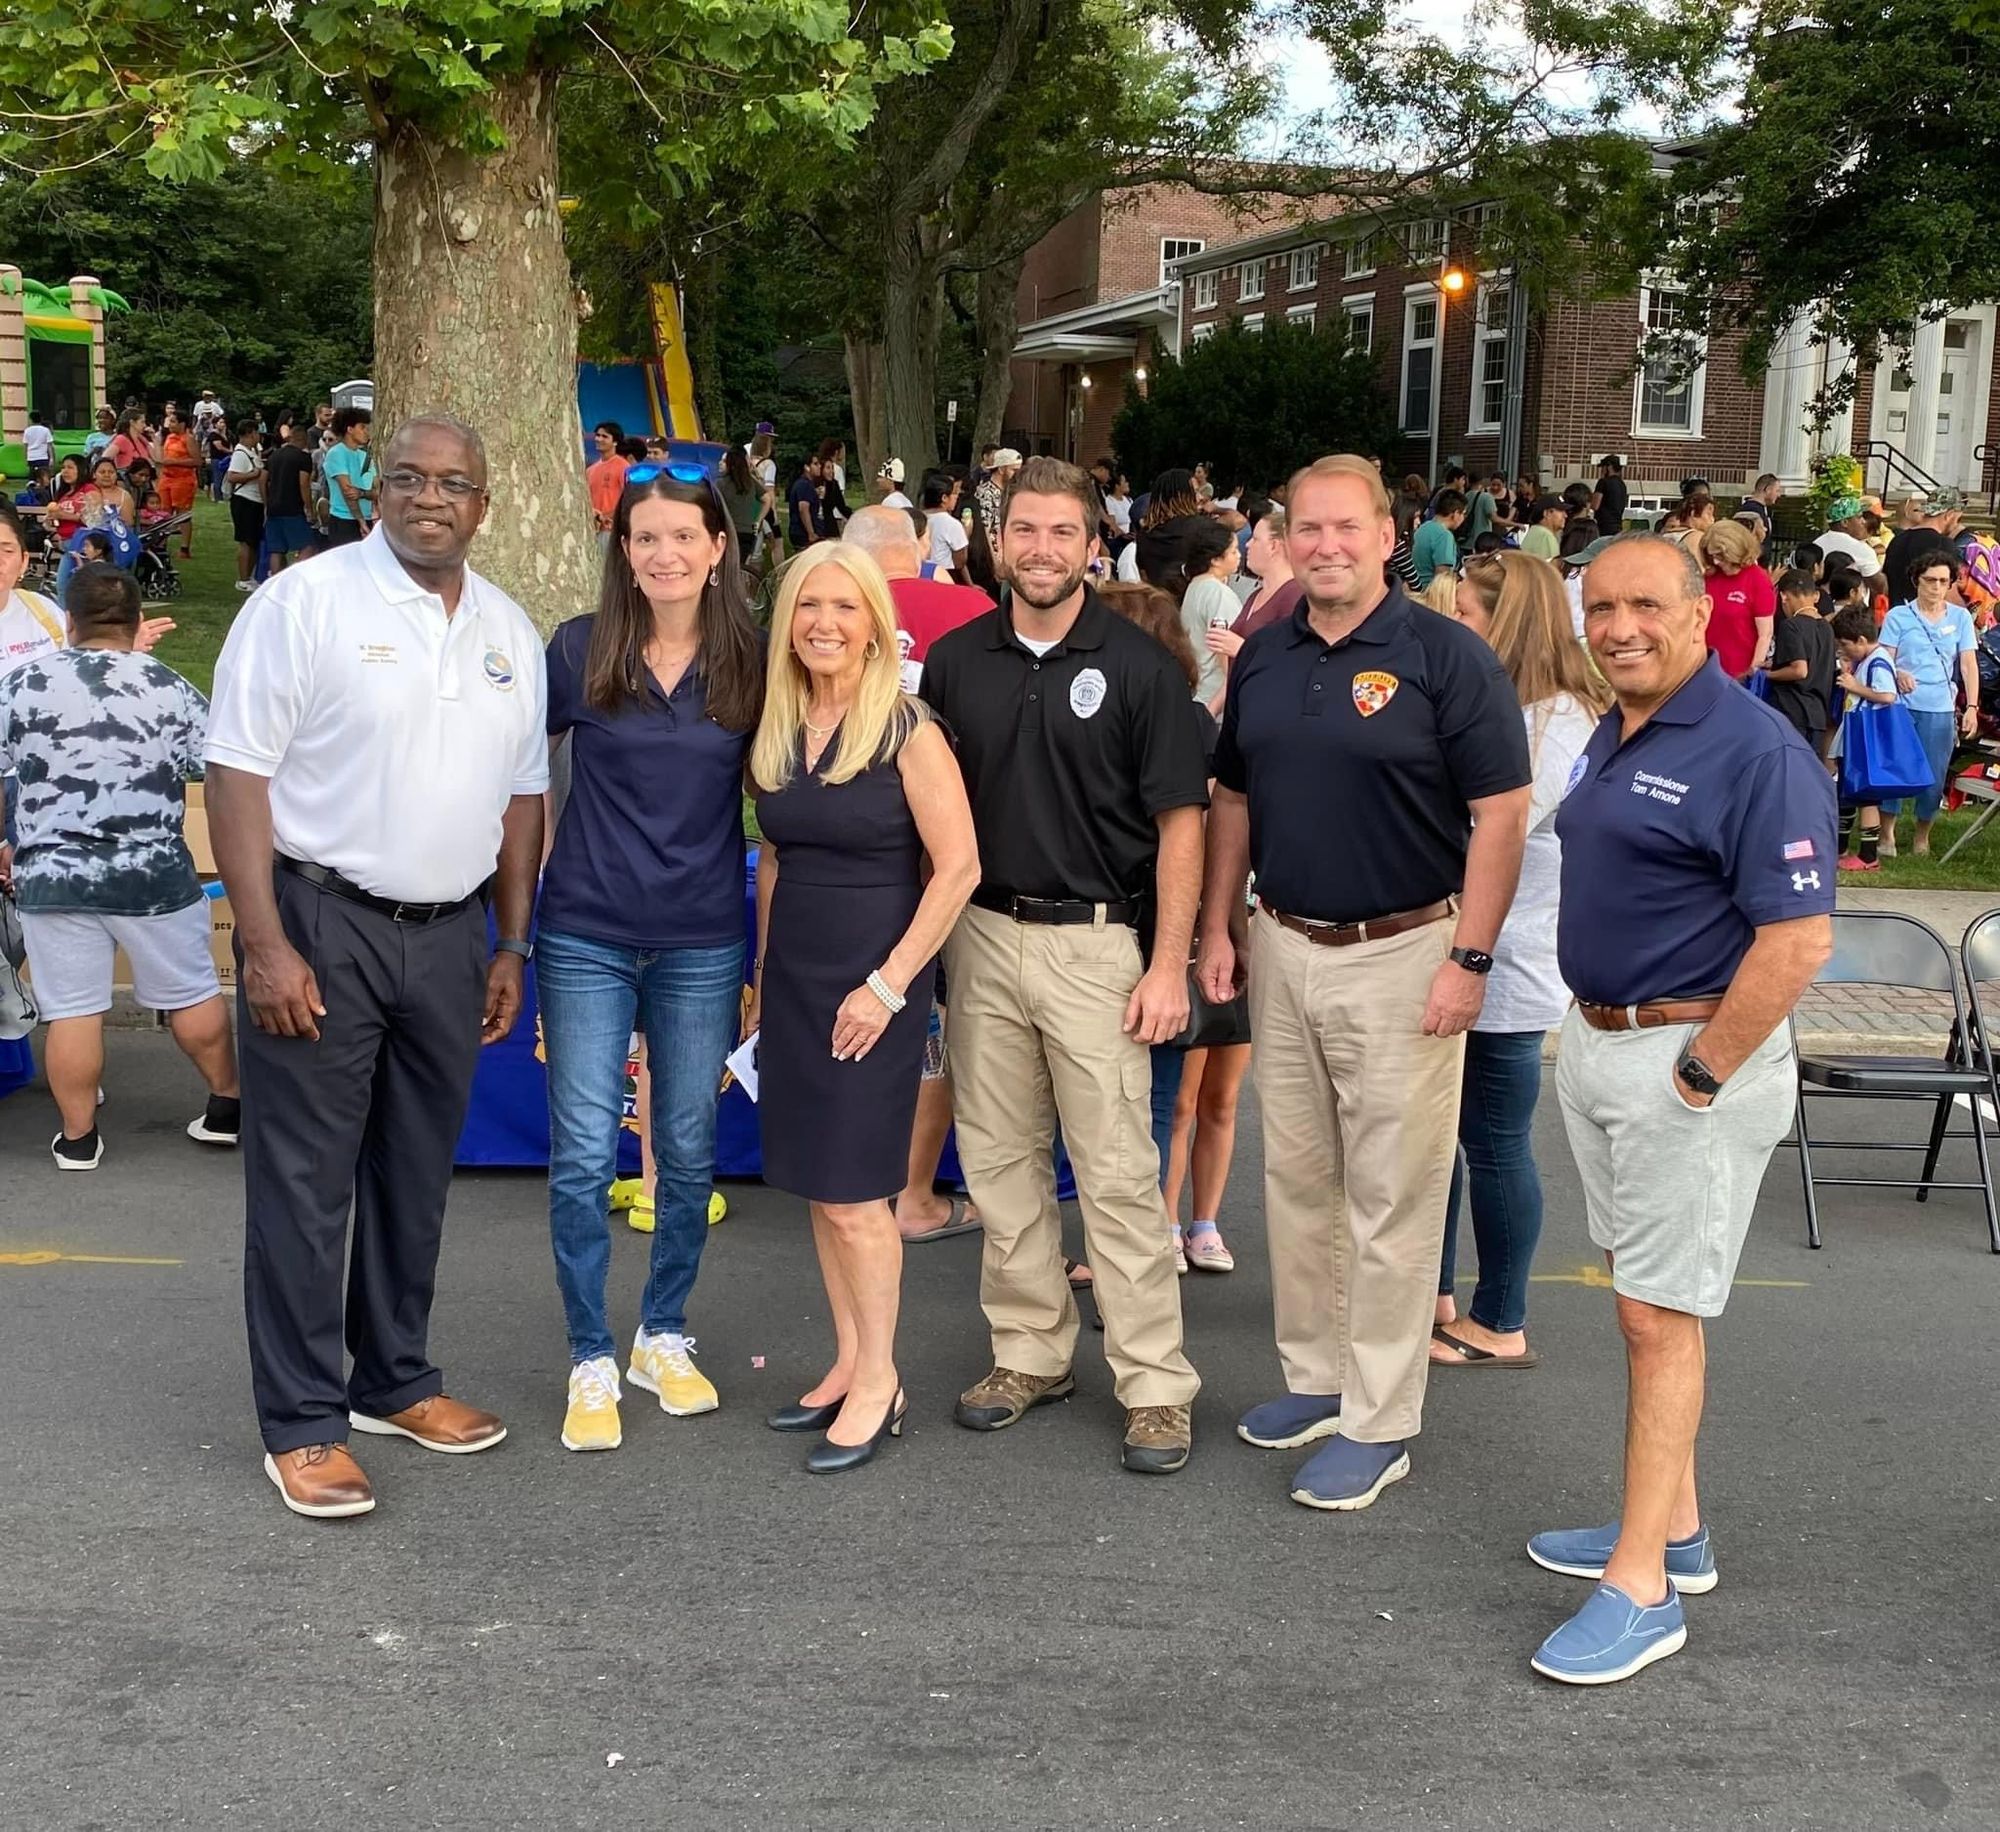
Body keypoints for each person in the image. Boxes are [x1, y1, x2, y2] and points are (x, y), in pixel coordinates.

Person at [205, 416, 548, 1521]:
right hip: (321, 920)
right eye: (407, 477)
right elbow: (237, 777)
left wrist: (508, 940)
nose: (429, 496)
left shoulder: (507, 629)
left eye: (453, 483)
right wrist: (262, 943)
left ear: (482, 505)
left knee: (412, 1169)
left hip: (451, 934)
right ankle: (302, 1421)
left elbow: (525, 799)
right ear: (371, 490)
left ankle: (392, 1377)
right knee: (306, 1183)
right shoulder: (302, 604)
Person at [1195, 454, 1531, 1512]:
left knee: (1391, 1195)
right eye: (1307, 528)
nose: (1326, 545)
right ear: (1282, 538)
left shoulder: (1445, 657)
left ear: (1388, 536)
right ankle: (1318, 1378)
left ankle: (1380, 1416)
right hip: (1281, 941)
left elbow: (1503, 814)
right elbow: (1231, 799)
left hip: (1403, 953)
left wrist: (1468, 958)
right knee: (1295, 1181)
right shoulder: (1260, 655)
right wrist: (1219, 922)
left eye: (1347, 527)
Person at [1528, 532, 1834, 1685]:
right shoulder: (1620, 725)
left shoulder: (1753, 749)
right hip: (1607, 1047)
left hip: (1685, 1063)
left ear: (1702, 612)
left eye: (1645, 605)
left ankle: (1639, 1586)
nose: (1618, 627)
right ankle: (1675, 1529)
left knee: (1658, 1319)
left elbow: (1799, 935)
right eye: (1599, 608)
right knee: (1638, 1303)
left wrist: (1702, 1070)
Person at [922, 455, 1206, 1475]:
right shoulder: (954, 662)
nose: (1039, 550)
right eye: (1022, 530)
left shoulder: (1137, 666)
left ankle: (1155, 1382)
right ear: (995, 540)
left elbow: (1183, 824)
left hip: (1096, 943)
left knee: (1119, 1175)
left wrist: (1165, 964)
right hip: (981, 936)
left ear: (1095, 542)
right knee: (998, 1163)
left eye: (1060, 532)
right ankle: (1031, 1352)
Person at [538, 465, 766, 1454]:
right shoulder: (579, 648)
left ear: (718, 547)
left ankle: (661, 1332)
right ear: (621, 552)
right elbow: (526, 786)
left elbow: (800, 796)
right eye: (644, 538)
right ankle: (590, 1350)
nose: (663, 553)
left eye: (682, 535)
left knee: (684, 1147)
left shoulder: (755, 663)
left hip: (702, 939)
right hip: (585, 929)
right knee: (586, 1151)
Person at [749, 543, 979, 1471]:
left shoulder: (908, 728)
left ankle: (882, 1379)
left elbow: (959, 867)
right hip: (798, 980)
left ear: (876, 621)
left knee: (856, 1196)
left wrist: (887, 989)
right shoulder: (780, 724)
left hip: (874, 985)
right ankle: (848, 1357)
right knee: (819, 1183)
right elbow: (775, 858)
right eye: (809, 606)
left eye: (845, 606)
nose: (825, 624)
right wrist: (765, 979)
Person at [1429, 552, 1608, 1369]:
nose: (1454, 623)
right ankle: (1431, 1293)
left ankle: (1500, 1318)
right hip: (1464, 945)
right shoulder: (1503, 703)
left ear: (1507, 621)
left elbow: (1499, 825)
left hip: (1513, 958)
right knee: (1438, 1136)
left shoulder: (1560, 719)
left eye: (1467, 612)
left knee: (1493, 1140)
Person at [0, 560, 237, 1167]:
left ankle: (78, 1139)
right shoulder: (168, 685)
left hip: (51, 875)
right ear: (135, 622)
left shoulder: (19, 686)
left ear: (69, 619)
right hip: (154, 874)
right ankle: (226, 1106)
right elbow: (215, 768)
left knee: (72, 1009)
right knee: (190, 993)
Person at [839, 507, 991, 1241]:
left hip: (848, 857)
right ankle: (916, 1193)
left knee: (870, 1018)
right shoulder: (971, 607)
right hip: (951, 850)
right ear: (923, 548)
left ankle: (853, 1181)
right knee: (935, 1026)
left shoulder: (836, 609)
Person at [1877, 551, 1979, 858]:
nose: (1936, 587)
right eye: (1930, 580)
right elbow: (1882, 659)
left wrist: (1972, 706)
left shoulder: (1960, 618)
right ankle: (1887, 834)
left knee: (1934, 775)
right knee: (1894, 768)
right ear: (1915, 581)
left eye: (1943, 581)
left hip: (1941, 706)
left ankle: (1923, 836)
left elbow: (1968, 664)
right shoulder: (1898, 616)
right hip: (1902, 704)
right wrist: (1897, 673)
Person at [1832, 603, 1900, 871]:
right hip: (1855, 733)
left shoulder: (1879, 661)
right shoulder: (1865, 660)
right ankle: (1840, 847)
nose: (1844, 649)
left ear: (1861, 640)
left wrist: (1855, 686)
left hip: (1867, 737)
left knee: (1866, 795)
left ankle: (1869, 855)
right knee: (1848, 792)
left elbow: (1887, 695)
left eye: (1846, 644)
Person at [1764, 569, 1838, 755]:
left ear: (1784, 597)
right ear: (1815, 596)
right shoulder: (1826, 628)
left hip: (1791, 710)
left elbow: (1799, 670)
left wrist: (1768, 674)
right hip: (1818, 715)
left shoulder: (1791, 625)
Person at [1175, 516, 1240, 710]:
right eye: (1233, 551)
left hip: (1201, 691)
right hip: (1216, 696)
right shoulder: (1217, 593)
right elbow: (1224, 649)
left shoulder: (1195, 586)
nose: (1239, 555)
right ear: (1215, 559)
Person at [1697, 520, 1774, 682]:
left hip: (1739, 674)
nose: (1716, 561)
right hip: (1704, 669)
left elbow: (1765, 634)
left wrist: (1752, 671)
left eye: (1720, 556)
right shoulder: (1709, 578)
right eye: (1712, 556)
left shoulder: (1757, 580)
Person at [1881, 486, 1965, 609]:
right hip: (1927, 622)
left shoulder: (1897, 541)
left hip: (1897, 618)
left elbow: (1886, 585)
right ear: (1949, 515)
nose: (1957, 525)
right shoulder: (1943, 545)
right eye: (1957, 519)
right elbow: (1948, 595)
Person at [1115, 469, 1202, 584]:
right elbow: (1132, 596)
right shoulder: (1133, 552)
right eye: (1195, 492)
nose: (1200, 498)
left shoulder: (1197, 538)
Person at [261, 424, 317, 572]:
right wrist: (309, 509)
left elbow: (262, 480)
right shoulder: (303, 458)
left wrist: (266, 502)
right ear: (305, 440)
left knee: (276, 550)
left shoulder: (274, 455)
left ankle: (274, 581)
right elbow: (303, 483)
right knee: (308, 546)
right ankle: (292, 575)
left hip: (274, 508)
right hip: (293, 508)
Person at [221, 417, 265, 593]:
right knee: (246, 542)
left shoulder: (251, 452)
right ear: (250, 433)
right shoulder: (240, 453)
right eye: (256, 432)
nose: (258, 436)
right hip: (244, 500)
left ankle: (250, 576)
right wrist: (253, 474)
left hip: (254, 500)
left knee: (253, 541)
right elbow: (232, 476)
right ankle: (243, 578)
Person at [321, 407, 376, 546]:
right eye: (362, 427)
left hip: (367, 517)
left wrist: (362, 493)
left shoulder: (365, 456)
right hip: (344, 520)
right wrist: (361, 521)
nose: (366, 432)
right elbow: (348, 491)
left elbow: (376, 490)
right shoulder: (337, 453)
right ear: (349, 429)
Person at [1814, 495, 1882, 580]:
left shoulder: (1816, 544)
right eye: (1859, 517)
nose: (1863, 521)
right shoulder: (1861, 550)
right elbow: (1879, 587)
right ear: (1844, 522)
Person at [718, 444, 766, 562]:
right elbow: (767, 499)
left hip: (729, 531)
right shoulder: (750, 482)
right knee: (742, 565)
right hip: (748, 532)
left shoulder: (721, 483)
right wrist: (758, 520)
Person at [920, 468, 969, 584]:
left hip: (920, 573)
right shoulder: (951, 524)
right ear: (944, 498)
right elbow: (960, 562)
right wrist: (966, 532)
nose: (956, 497)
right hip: (944, 576)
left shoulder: (917, 518)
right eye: (954, 494)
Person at [1411, 489, 1465, 587]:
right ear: (1456, 514)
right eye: (1463, 514)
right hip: (1430, 594)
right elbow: (1442, 576)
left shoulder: (1423, 527)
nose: (1463, 518)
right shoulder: (1444, 536)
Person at [974, 448, 1021, 556]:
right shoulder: (985, 493)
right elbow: (987, 529)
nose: (1017, 475)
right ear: (1001, 469)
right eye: (1013, 470)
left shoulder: (1012, 492)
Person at [788, 451, 828, 551]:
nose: (819, 466)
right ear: (807, 467)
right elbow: (803, 508)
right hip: (803, 534)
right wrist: (811, 533)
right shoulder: (804, 484)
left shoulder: (808, 484)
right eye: (815, 464)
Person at [1587, 454, 1628, 539]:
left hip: (1604, 527)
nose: (1601, 471)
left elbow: (1595, 506)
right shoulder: (1622, 484)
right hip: (1617, 527)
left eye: (1603, 468)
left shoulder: (1603, 482)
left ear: (1608, 467)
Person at [1518, 495, 1567, 560]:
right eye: (1561, 511)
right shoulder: (1546, 536)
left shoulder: (1535, 530)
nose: (1565, 515)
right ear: (1547, 513)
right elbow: (1551, 568)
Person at [22, 410, 53, 489]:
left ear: (31, 419)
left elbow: (25, 446)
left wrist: (25, 458)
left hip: (31, 458)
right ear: (41, 419)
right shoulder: (45, 430)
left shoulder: (27, 431)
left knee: (32, 479)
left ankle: (32, 494)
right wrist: (51, 458)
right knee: (44, 479)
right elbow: (49, 445)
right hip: (43, 457)